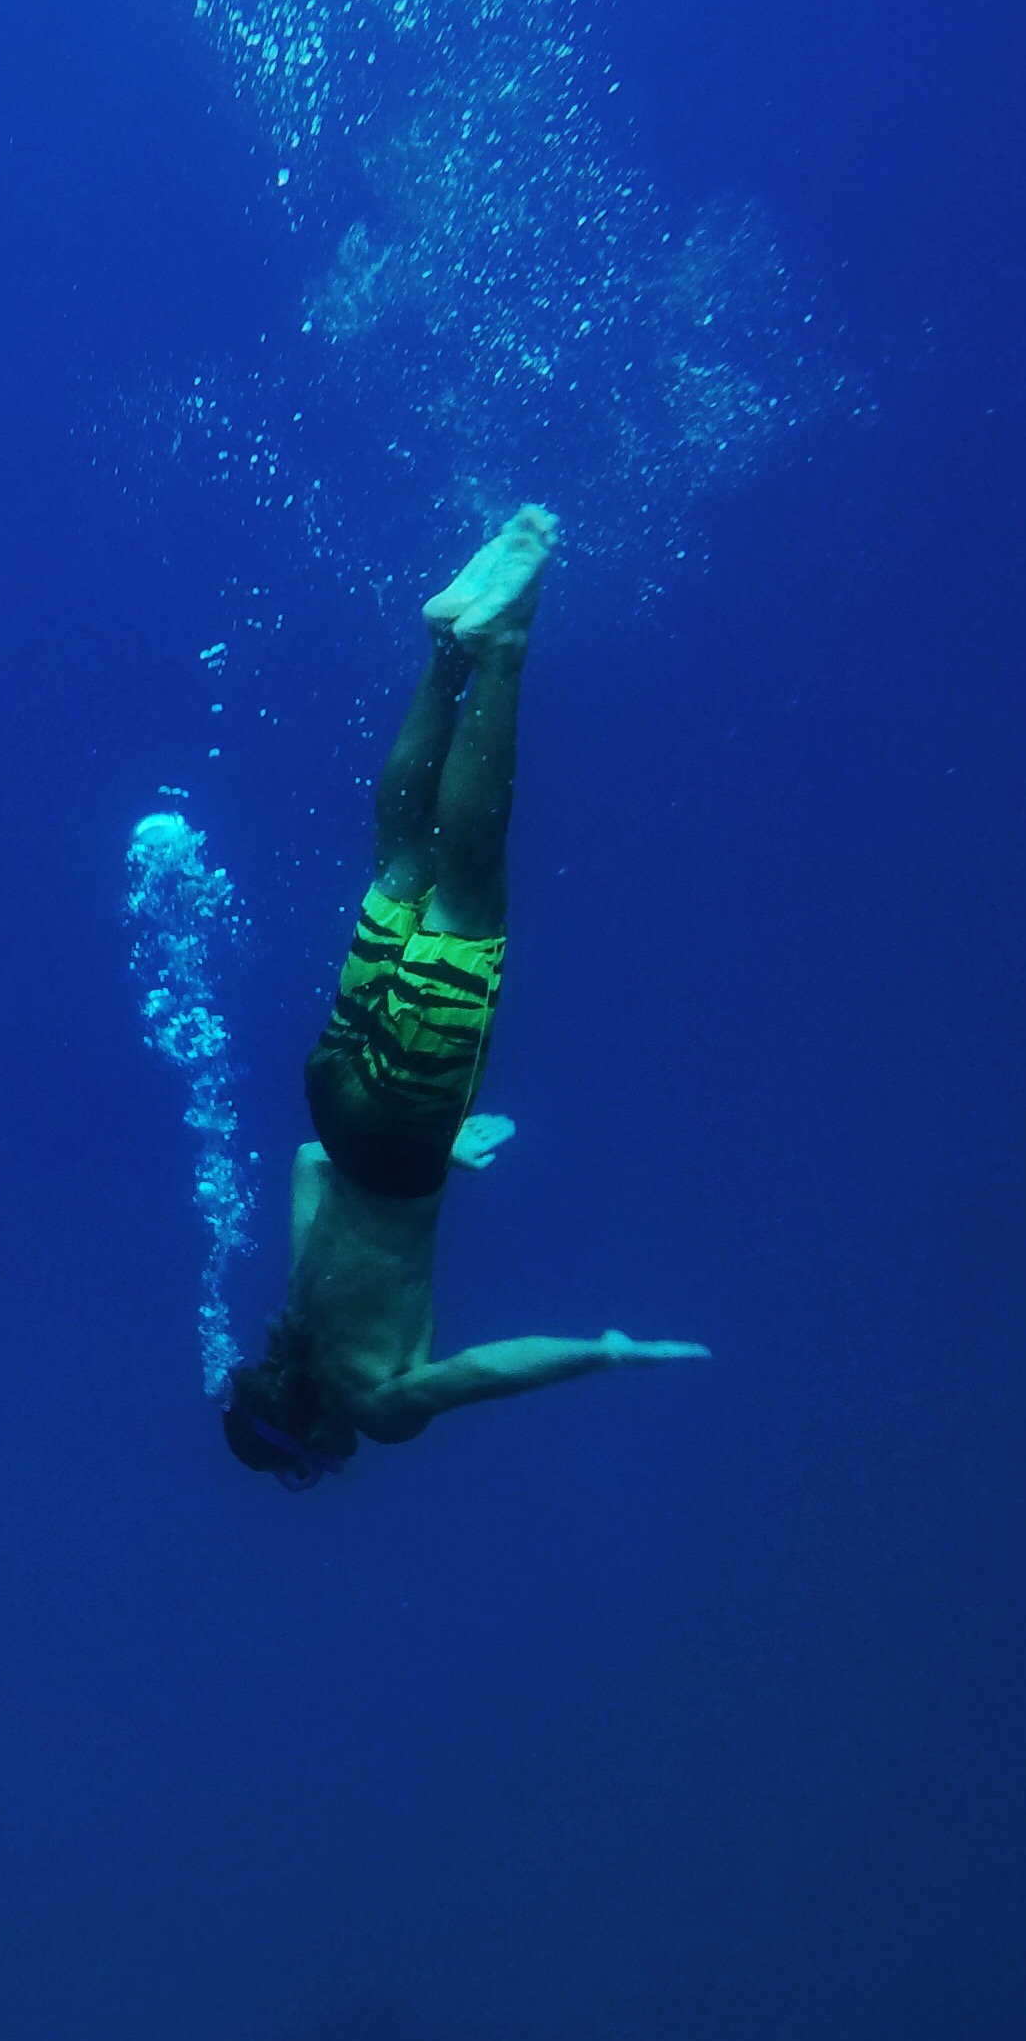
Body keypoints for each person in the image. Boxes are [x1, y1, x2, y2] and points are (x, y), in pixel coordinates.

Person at [221, 505, 709, 1487]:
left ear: (313, 1434)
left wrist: (603, 1351)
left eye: (316, 1461)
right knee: (401, 863)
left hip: (404, 1128)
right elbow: (312, 1162)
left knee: (468, 891)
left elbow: (483, 1371)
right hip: (334, 1097)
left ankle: (502, 649)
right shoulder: (295, 1314)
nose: (338, 1456)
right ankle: (446, 647)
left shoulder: (372, 1397)